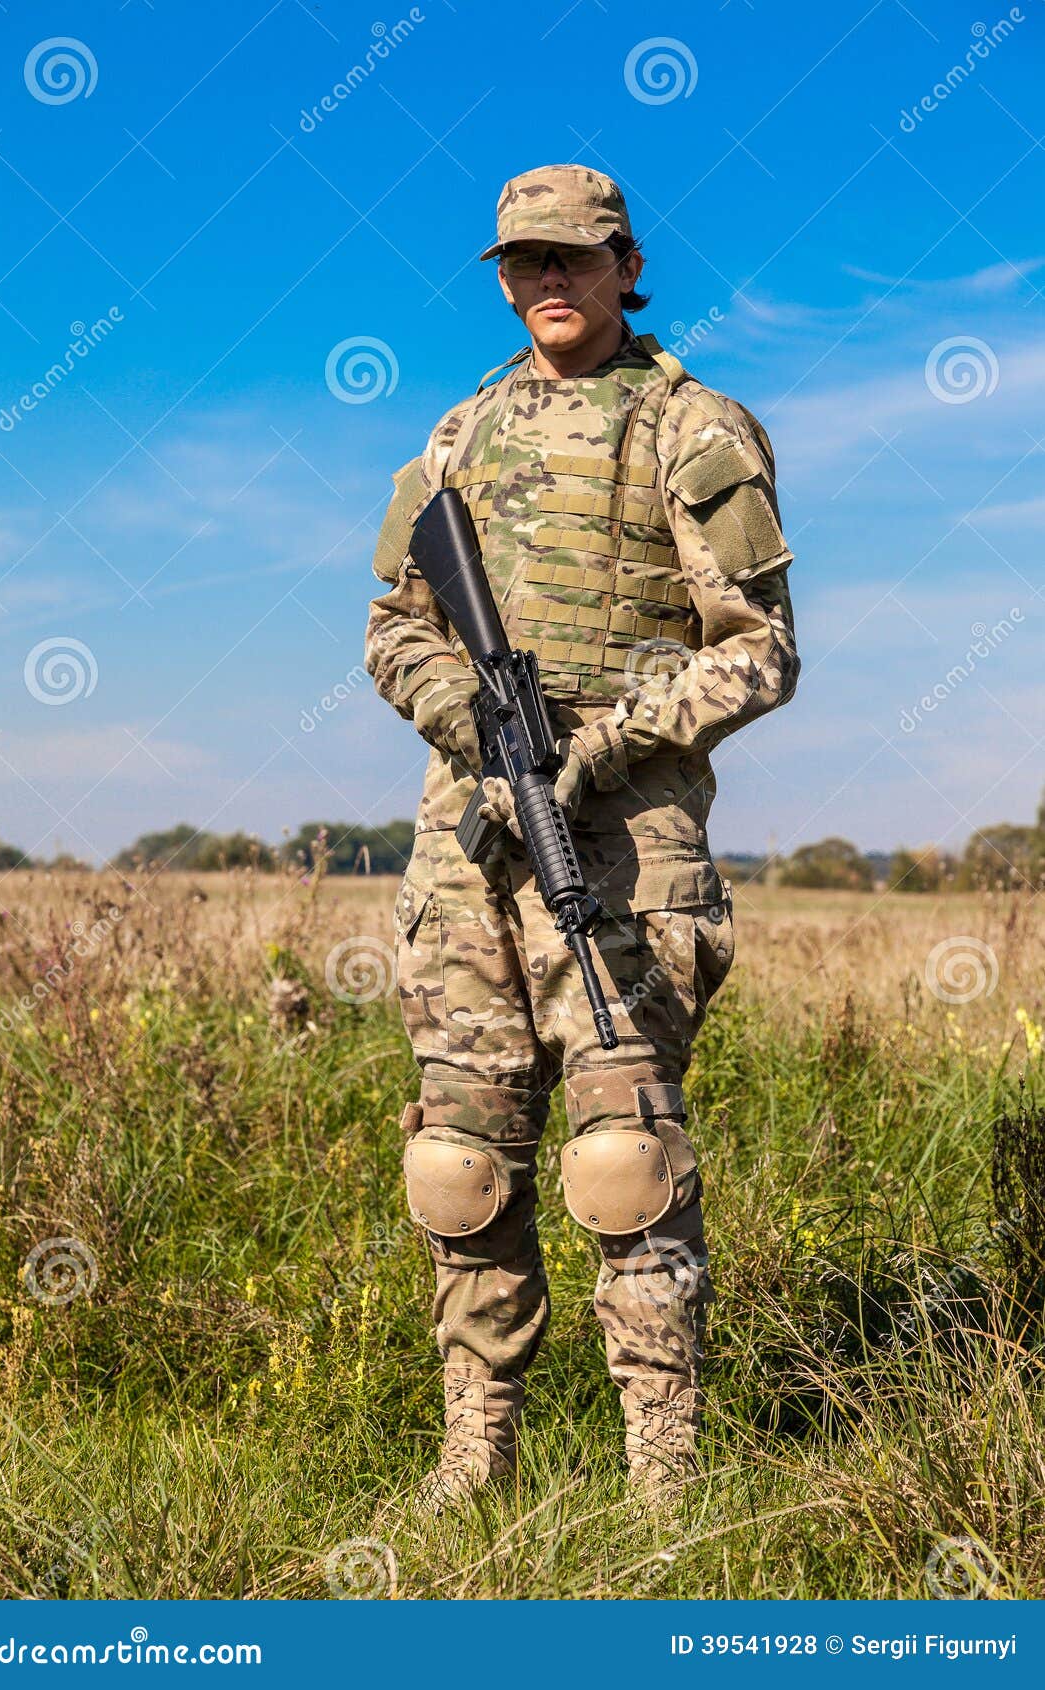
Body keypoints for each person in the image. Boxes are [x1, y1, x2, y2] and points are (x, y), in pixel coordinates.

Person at [364, 164, 800, 1514]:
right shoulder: (457, 435)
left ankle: (663, 1482)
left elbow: (761, 654)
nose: (547, 280)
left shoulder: (693, 427)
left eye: (573, 257)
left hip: (623, 855)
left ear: (623, 264)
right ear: (503, 277)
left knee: (623, 1158)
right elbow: (394, 629)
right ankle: (473, 1454)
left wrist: (599, 742)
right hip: (468, 853)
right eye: (523, 262)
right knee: (459, 1157)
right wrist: (473, 728)